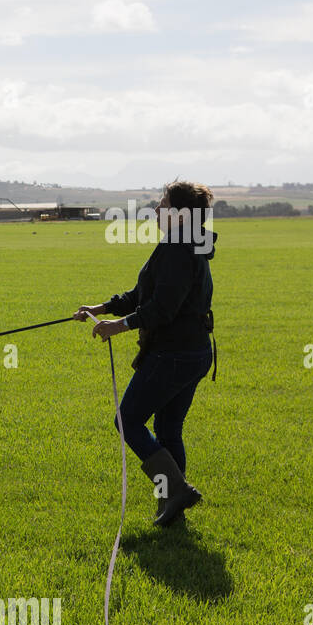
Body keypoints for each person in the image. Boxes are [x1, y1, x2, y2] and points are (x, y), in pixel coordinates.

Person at [74, 180, 217, 526]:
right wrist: (104, 307)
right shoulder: (184, 245)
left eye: (163, 204)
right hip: (193, 353)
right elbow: (142, 293)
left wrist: (117, 326)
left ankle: (174, 493)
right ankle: (173, 505)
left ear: (180, 214)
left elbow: (162, 309)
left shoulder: (177, 249)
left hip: (174, 355)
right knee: (168, 428)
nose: (157, 210)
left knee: (127, 420)